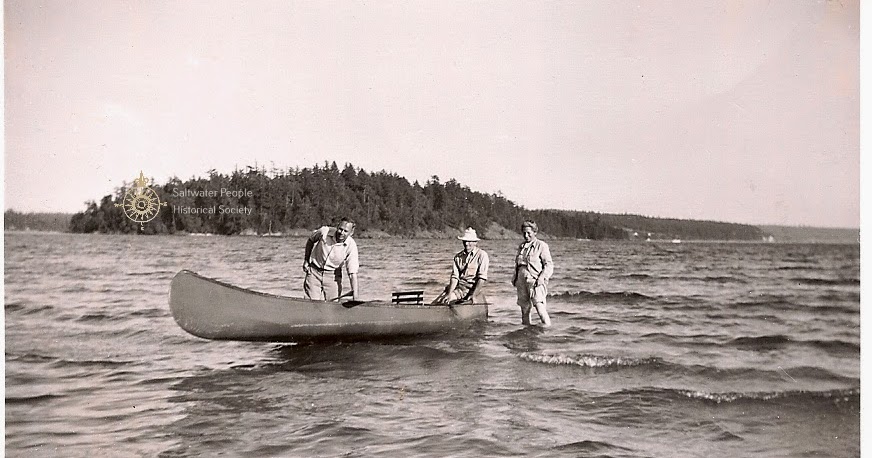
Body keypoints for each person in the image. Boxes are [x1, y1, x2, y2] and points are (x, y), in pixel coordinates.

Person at [302, 217, 360, 301]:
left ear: (351, 233)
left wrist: (355, 296)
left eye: (345, 231)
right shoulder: (324, 231)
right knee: (311, 304)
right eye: (340, 229)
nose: (341, 233)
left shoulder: (351, 246)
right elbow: (311, 240)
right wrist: (306, 260)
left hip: (333, 276)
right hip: (314, 272)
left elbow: (352, 273)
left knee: (333, 306)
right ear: (337, 226)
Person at [433, 227, 489, 305]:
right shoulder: (458, 257)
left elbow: (482, 279)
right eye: (465, 241)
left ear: (475, 242)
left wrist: (474, 295)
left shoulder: (482, 255)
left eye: (469, 241)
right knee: (441, 301)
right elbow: (454, 278)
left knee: (446, 301)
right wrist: (449, 293)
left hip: (473, 289)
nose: (466, 244)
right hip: (460, 289)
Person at [512, 220, 553, 326]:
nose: (526, 235)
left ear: (535, 232)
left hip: (535, 280)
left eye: (529, 233)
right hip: (521, 281)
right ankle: (526, 331)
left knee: (540, 308)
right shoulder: (521, 246)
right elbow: (518, 264)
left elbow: (548, 265)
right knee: (524, 310)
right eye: (524, 233)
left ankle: (548, 330)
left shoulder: (541, 246)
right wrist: (515, 278)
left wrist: (542, 278)